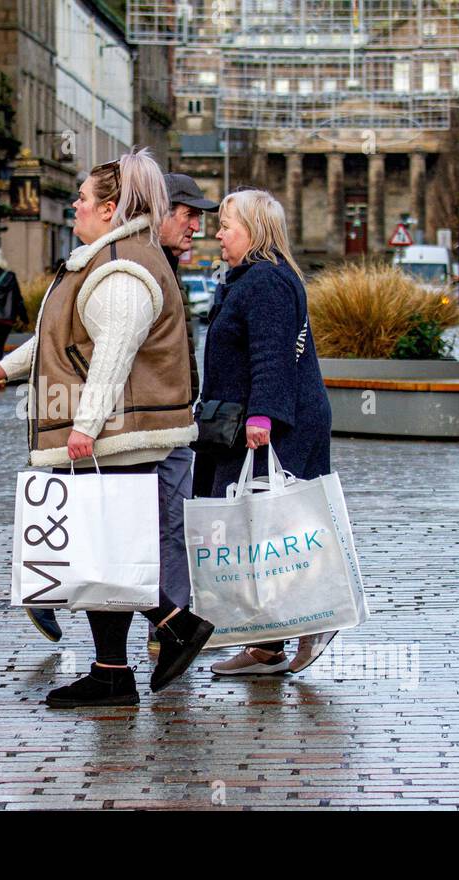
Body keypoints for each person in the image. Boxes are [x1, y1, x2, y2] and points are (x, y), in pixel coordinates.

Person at [0, 149, 214, 708]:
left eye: (82, 199)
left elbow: (114, 350)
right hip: (115, 434)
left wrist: (86, 425)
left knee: (106, 553)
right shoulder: (108, 258)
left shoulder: (123, 266)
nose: (74, 206)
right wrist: (5, 369)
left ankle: (176, 627)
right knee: (105, 552)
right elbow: (66, 338)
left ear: (109, 208)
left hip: (118, 436)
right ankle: (112, 671)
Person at [194, 190, 338, 677]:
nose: (217, 233)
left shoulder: (265, 282)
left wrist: (262, 417)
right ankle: (268, 644)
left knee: (272, 528)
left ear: (253, 230)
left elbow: (272, 355)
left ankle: (314, 618)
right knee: (264, 530)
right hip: (263, 419)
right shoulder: (259, 278)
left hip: (271, 425)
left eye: (226, 225)